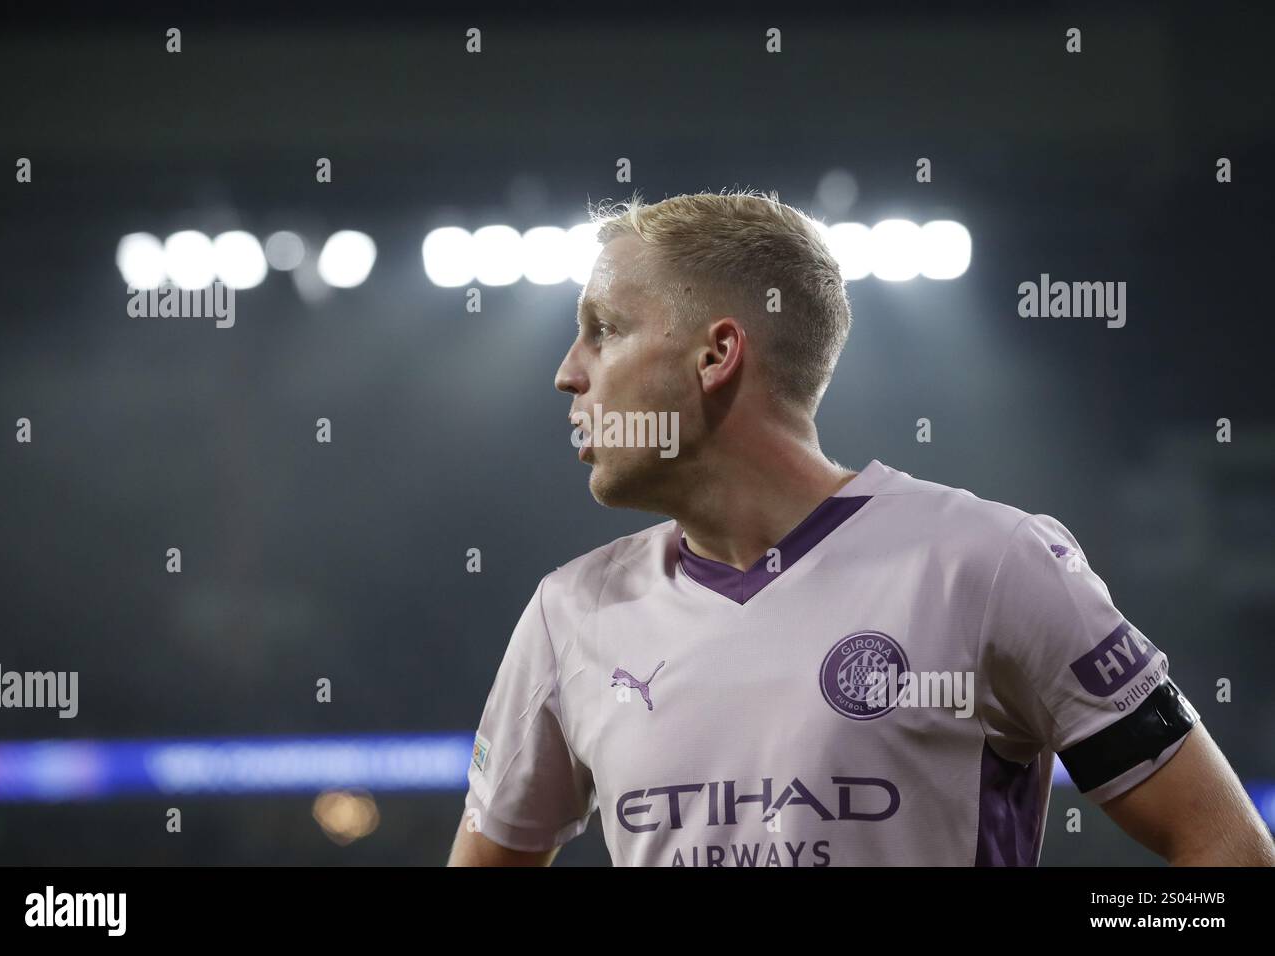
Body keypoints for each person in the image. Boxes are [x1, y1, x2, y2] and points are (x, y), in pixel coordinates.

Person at [448, 189, 1274, 867]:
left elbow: (1228, 849)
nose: (568, 373)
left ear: (715, 354)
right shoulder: (569, 614)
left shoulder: (988, 563)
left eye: (604, 328)